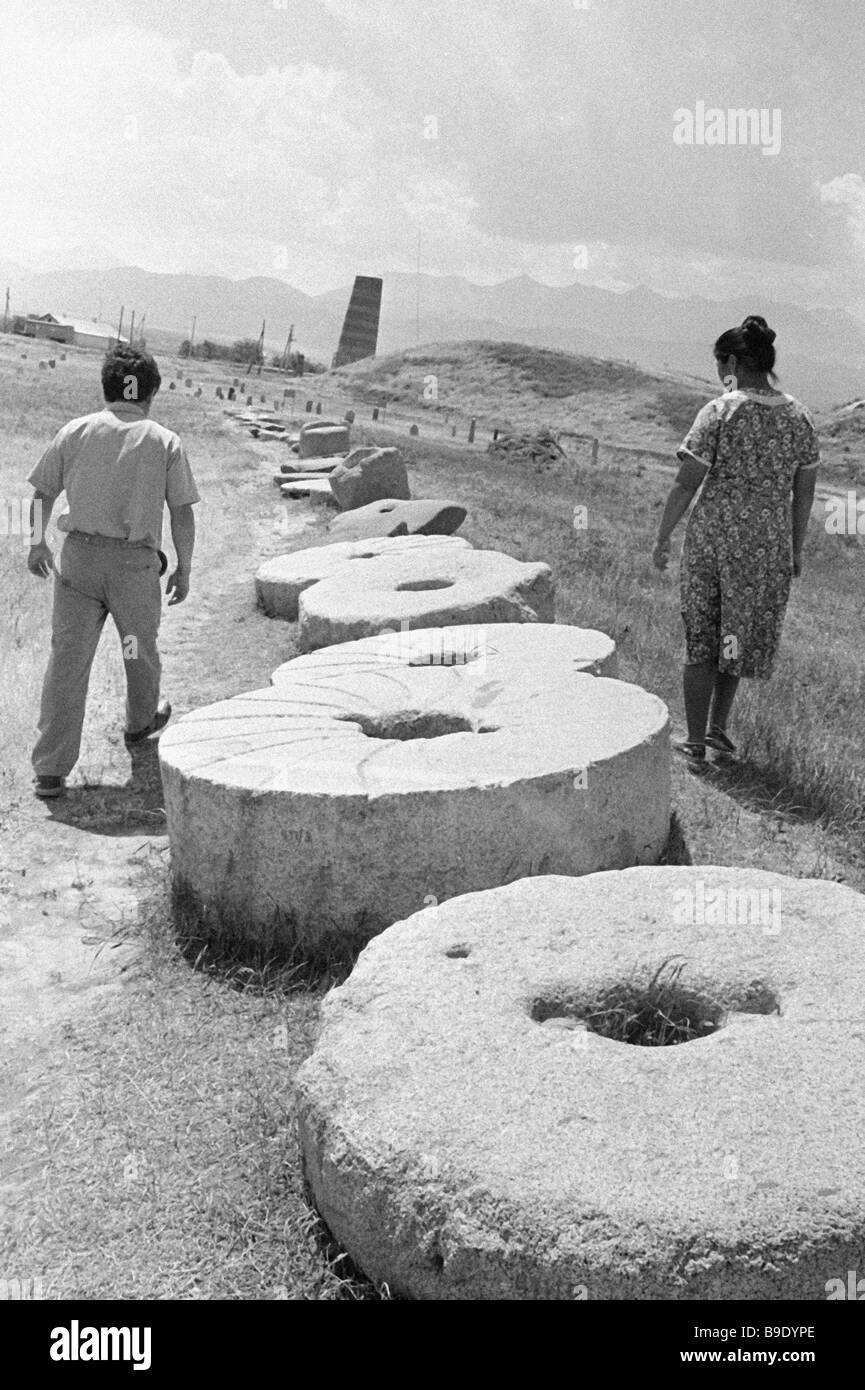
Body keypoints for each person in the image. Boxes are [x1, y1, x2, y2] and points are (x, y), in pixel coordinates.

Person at [26, 344, 200, 798]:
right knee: (135, 650)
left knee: (68, 661)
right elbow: (181, 511)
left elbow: (42, 491)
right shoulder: (164, 441)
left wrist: (36, 542)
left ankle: (50, 769)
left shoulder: (75, 431)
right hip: (132, 571)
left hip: (78, 565)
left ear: (108, 388)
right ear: (150, 393)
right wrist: (183, 567)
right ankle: (140, 723)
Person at [652, 315, 819, 767]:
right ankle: (718, 728)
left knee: (702, 639)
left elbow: (687, 483)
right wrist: (795, 548)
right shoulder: (800, 418)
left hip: (714, 541)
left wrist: (663, 535)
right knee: (735, 638)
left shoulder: (720, 411)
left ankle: (695, 742)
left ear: (730, 361)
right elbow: (804, 493)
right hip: (766, 547)